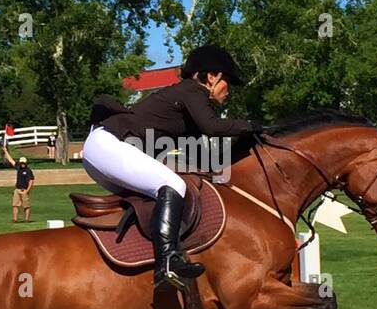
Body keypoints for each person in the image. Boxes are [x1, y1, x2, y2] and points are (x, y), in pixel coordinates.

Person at [84, 44, 259, 289]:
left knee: (162, 190)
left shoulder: (189, 108)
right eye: (227, 81)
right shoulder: (192, 90)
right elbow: (212, 127)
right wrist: (251, 125)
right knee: (172, 184)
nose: (229, 90)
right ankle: (167, 263)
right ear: (211, 77)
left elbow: (207, 160)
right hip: (108, 145)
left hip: (105, 150)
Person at [2, 145, 35, 222]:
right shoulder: (18, 167)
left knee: (26, 206)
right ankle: (15, 219)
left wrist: (28, 190)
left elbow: (31, 181)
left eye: (23, 163)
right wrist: (5, 151)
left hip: (24, 190)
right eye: (21, 162)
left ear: (26, 163)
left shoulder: (28, 170)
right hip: (17, 189)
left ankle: (27, 219)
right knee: (15, 205)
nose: (22, 164)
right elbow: (11, 160)